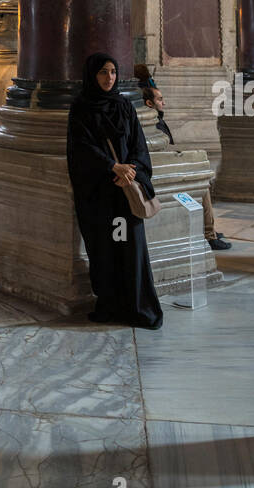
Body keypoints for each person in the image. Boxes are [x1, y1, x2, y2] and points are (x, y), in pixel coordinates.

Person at [67, 53, 163, 329]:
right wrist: (112, 167)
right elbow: (81, 149)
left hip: (125, 192)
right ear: (91, 75)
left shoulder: (124, 105)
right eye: (102, 72)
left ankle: (136, 306)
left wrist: (131, 169)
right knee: (105, 250)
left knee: (129, 247)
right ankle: (110, 305)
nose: (108, 77)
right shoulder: (81, 107)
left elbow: (138, 144)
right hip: (101, 193)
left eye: (112, 72)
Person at [141, 85, 231, 251]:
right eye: (160, 100)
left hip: (163, 166)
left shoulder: (157, 120)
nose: (164, 103)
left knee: (204, 179)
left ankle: (210, 231)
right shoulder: (152, 124)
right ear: (148, 103)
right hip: (157, 174)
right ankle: (209, 235)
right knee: (203, 187)